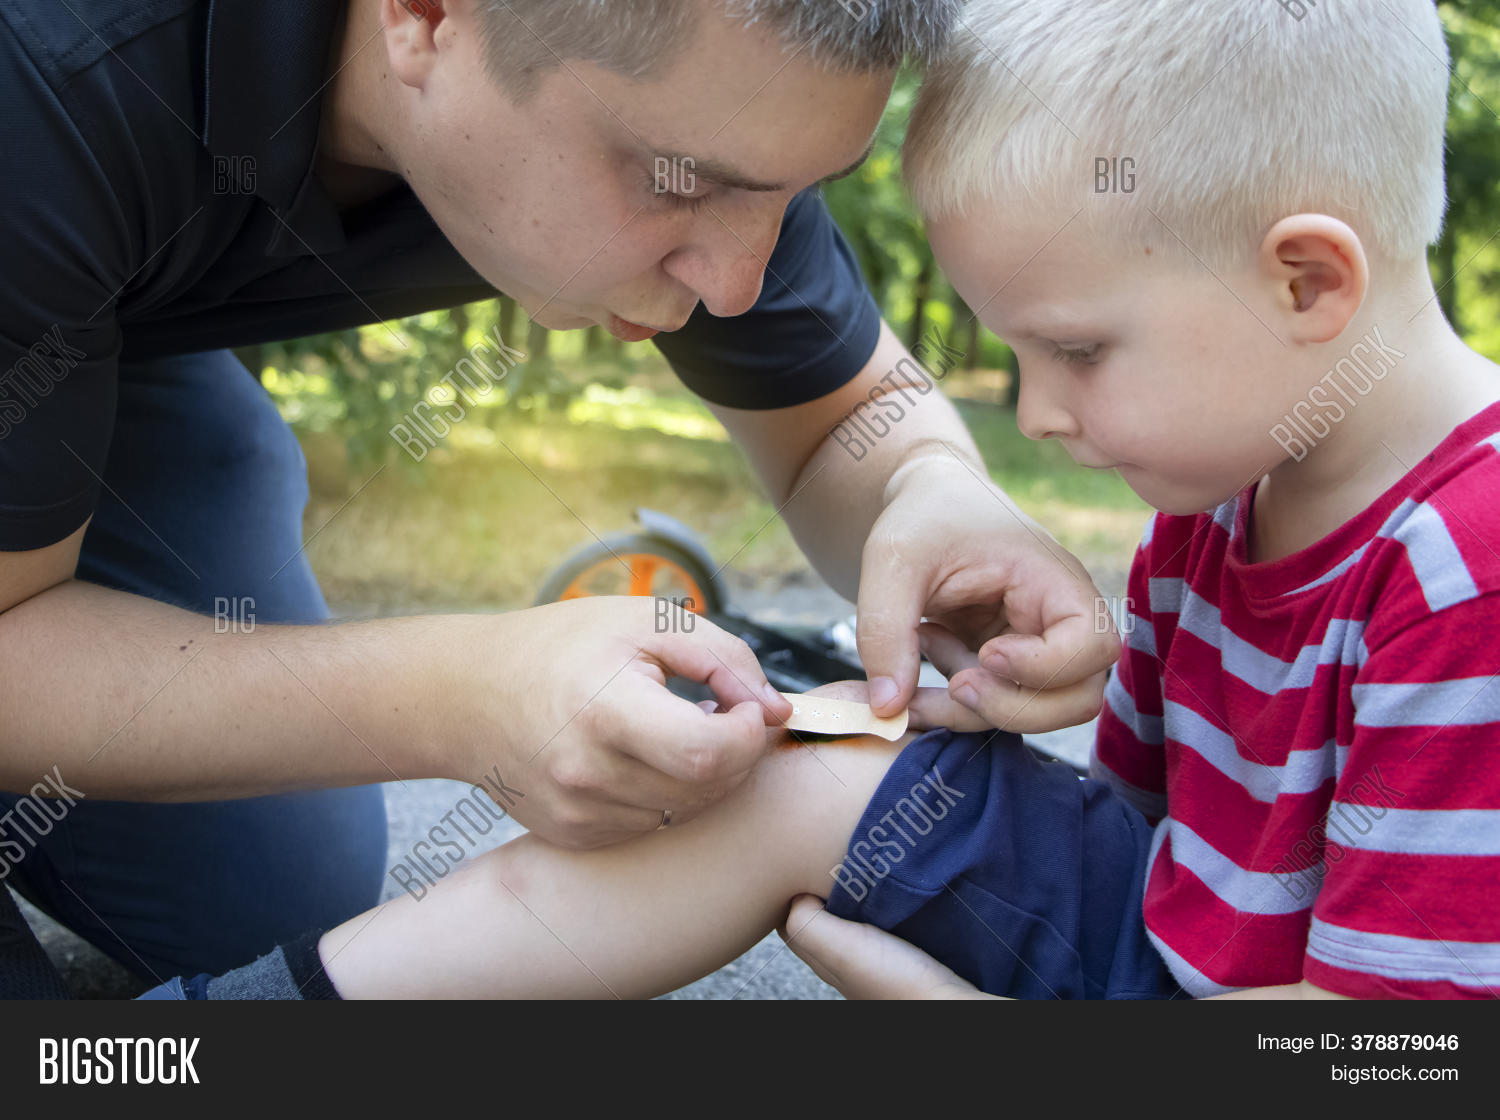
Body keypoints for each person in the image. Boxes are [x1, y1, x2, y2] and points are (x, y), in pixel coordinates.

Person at [139, 0, 1500, 1001]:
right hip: (1174, 950)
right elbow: (1134, 834)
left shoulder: (1462, 569)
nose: (1030, 419)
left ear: (1307, 282)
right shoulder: (1220, 497)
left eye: (1075, 351)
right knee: (794, 761)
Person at [0, 0, 1122, 995]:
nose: (740, 281)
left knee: (272, 890)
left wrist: (937, 493)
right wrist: (455, 692)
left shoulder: (702, 91)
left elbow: (845, 420)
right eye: (683, 183)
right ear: (427, 16)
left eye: (792, 192)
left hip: (94, 327)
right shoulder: (50, 73)